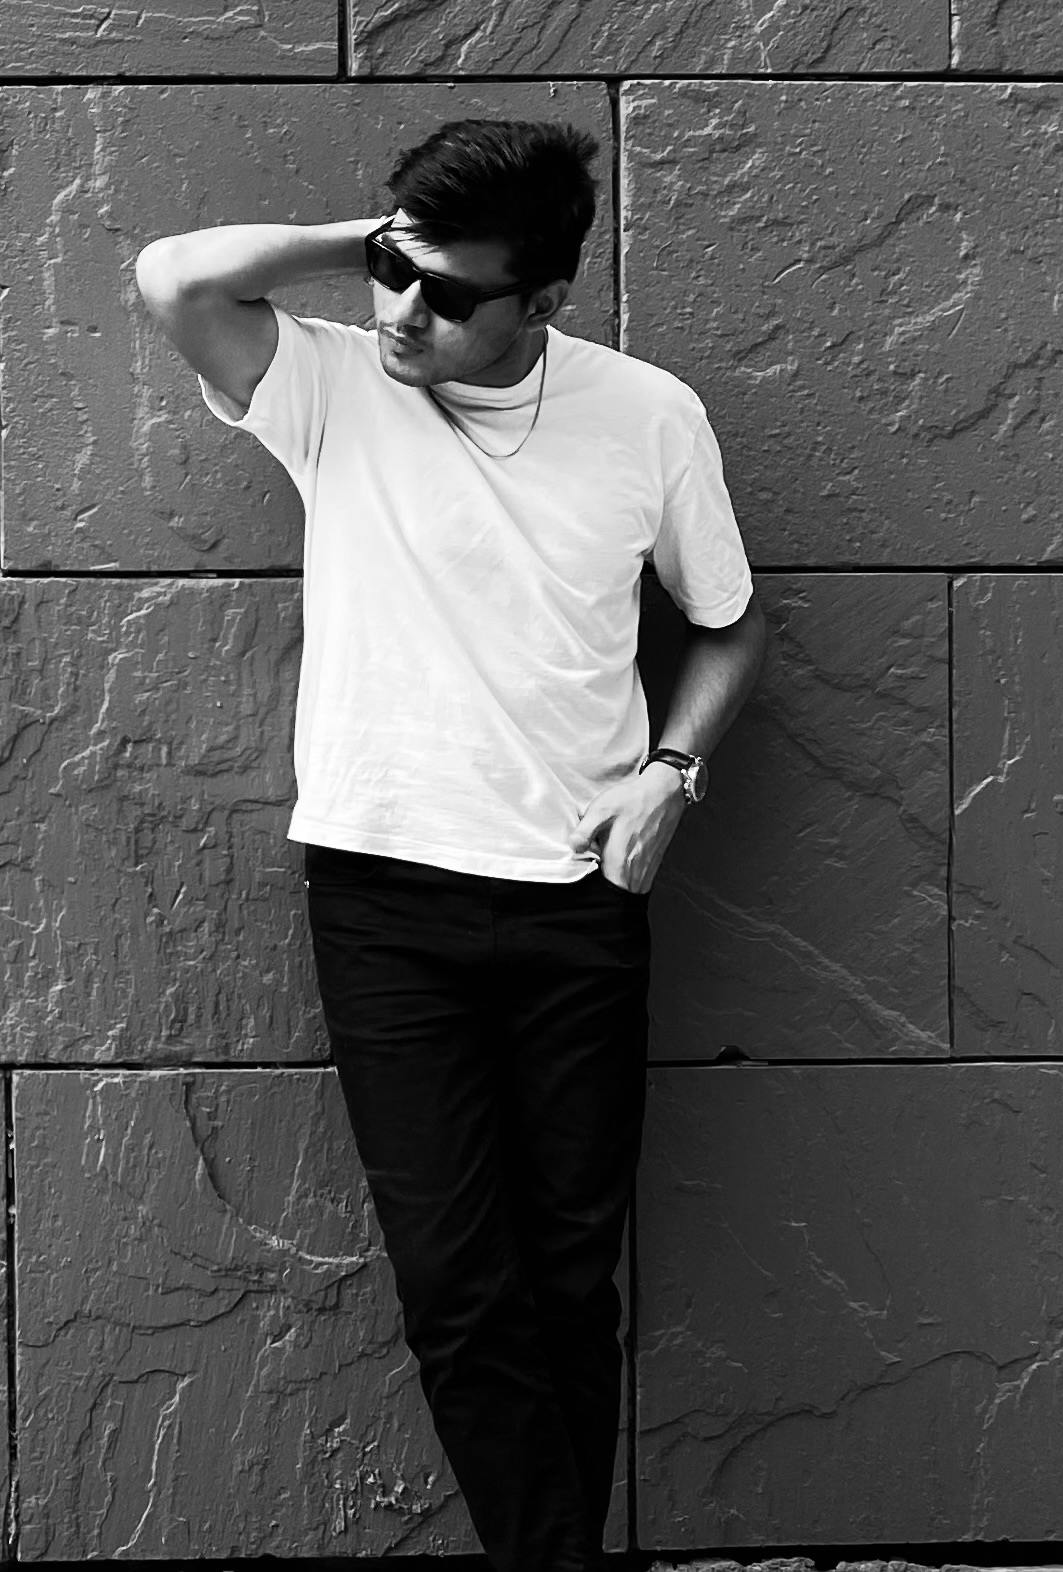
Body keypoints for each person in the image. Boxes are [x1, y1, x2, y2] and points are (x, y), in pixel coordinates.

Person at [132, 117, 767, 1572]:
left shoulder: (647, 416)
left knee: (568, 1285)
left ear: (543, 300)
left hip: (578, 897)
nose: (404, 313)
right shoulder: (334, 387)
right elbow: (175, 278)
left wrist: (673, 774)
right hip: (384, 902)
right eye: (392, 274)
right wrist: (372, 243)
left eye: (449, 292)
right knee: (457, 1287)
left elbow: (731, 626)